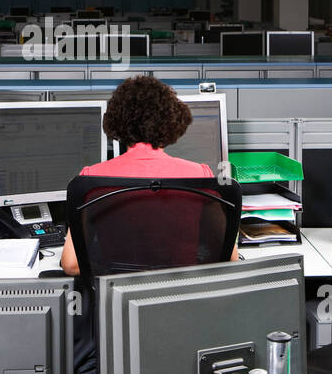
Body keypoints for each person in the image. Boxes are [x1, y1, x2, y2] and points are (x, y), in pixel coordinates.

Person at [59, 74, 237, 277]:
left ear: (117, 121)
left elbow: (71, 265)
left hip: (117, 294)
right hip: (181, 292)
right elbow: (229, 258)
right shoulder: (201, 176)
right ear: (170, 122)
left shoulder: (91, 179)